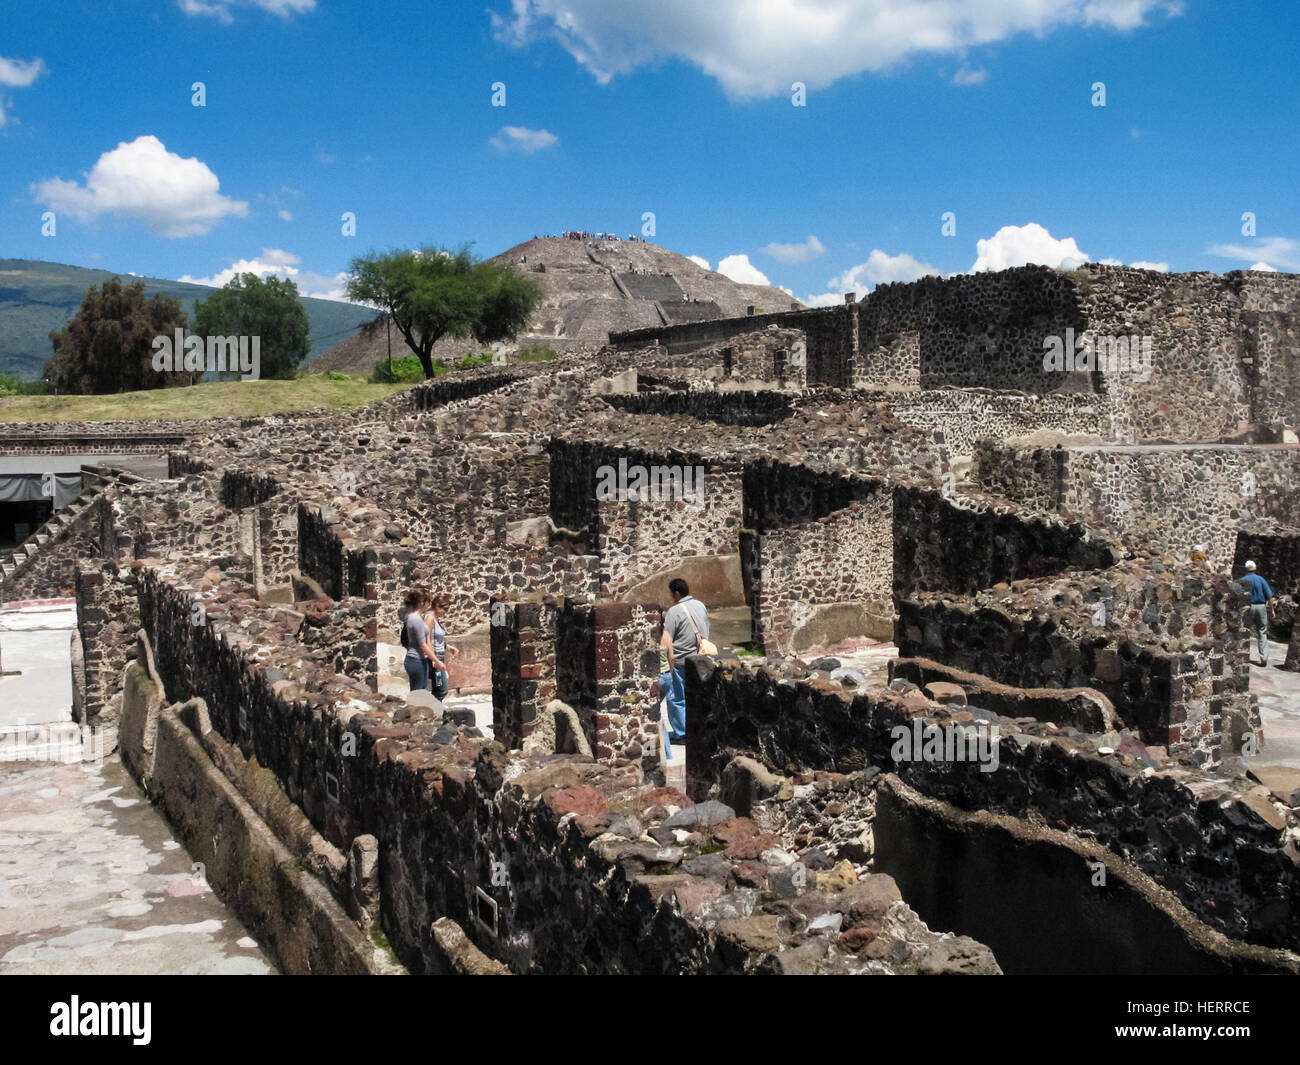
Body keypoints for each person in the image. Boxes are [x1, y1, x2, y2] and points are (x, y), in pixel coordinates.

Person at [659, 578, 710, 744]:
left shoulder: (674, 612)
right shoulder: (701, 605)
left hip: (681, 660)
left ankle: (681, 733)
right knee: (697, 696)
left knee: (677, 699)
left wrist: (668, 663)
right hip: (700, 658)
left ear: (676, 593)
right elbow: (706, 628)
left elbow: (667, 639)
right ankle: (698, 730)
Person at [1239, 560, 1277, 666]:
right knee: (1262, 631)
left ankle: (1243, 655)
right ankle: (1264, 657)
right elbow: (1269, 596)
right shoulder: (1261, 579)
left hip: (1247, 607)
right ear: (1255, 568)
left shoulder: (1242, 580)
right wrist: (1272, 609)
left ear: (1246, 569)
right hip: (1261, 606)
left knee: (1244, 631)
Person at [423, 594, 459, 700]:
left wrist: (448, 647)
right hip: (436, 658)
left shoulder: (435, 619)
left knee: (438, 688)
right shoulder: (429, 619)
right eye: (445, 609)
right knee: (441, 689)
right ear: (438, 605)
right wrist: (433, 659)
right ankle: (433, 712)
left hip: (439, 657)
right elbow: (427, 638)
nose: (446, 612)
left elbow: (436, 639)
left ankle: (434, 711)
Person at [402, 588, 435, 691]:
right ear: (421, 602)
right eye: (428, 601)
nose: (429, 604)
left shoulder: (414, 617)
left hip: (419, 659)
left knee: (421, 691)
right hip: (416, 660)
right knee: (418, 692)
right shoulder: (415, 619)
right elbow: (423, 644)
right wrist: (436, 660)